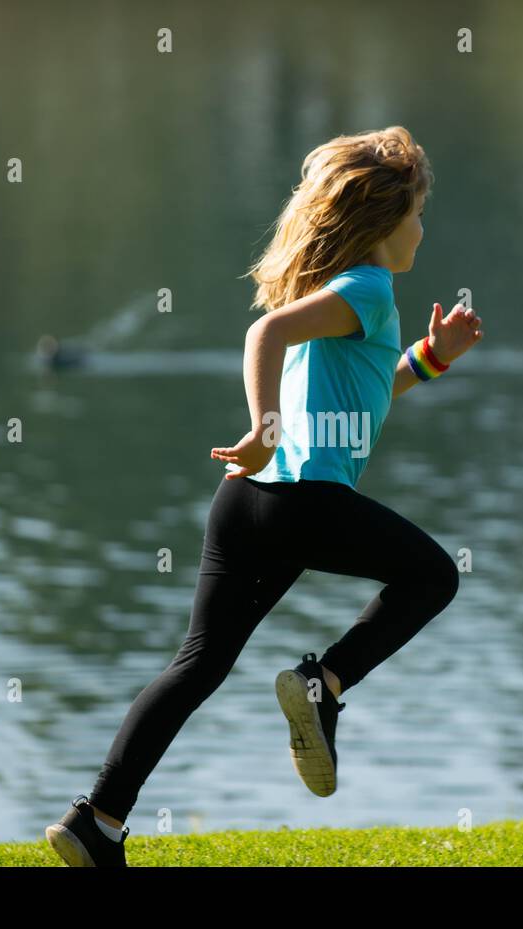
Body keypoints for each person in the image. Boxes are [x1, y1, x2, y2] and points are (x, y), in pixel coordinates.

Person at [46, 125, 484, 867]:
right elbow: (265, 335)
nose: (423, 227)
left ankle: (99, 819)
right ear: (382, 224)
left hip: (246, 501)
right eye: (415, 212)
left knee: (197, 666)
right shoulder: (370, 288)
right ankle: (325, 683)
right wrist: (265, 427)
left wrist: (433, 360)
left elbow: (372, 385)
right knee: (434, 576)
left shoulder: (341, 294)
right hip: (303, 498)